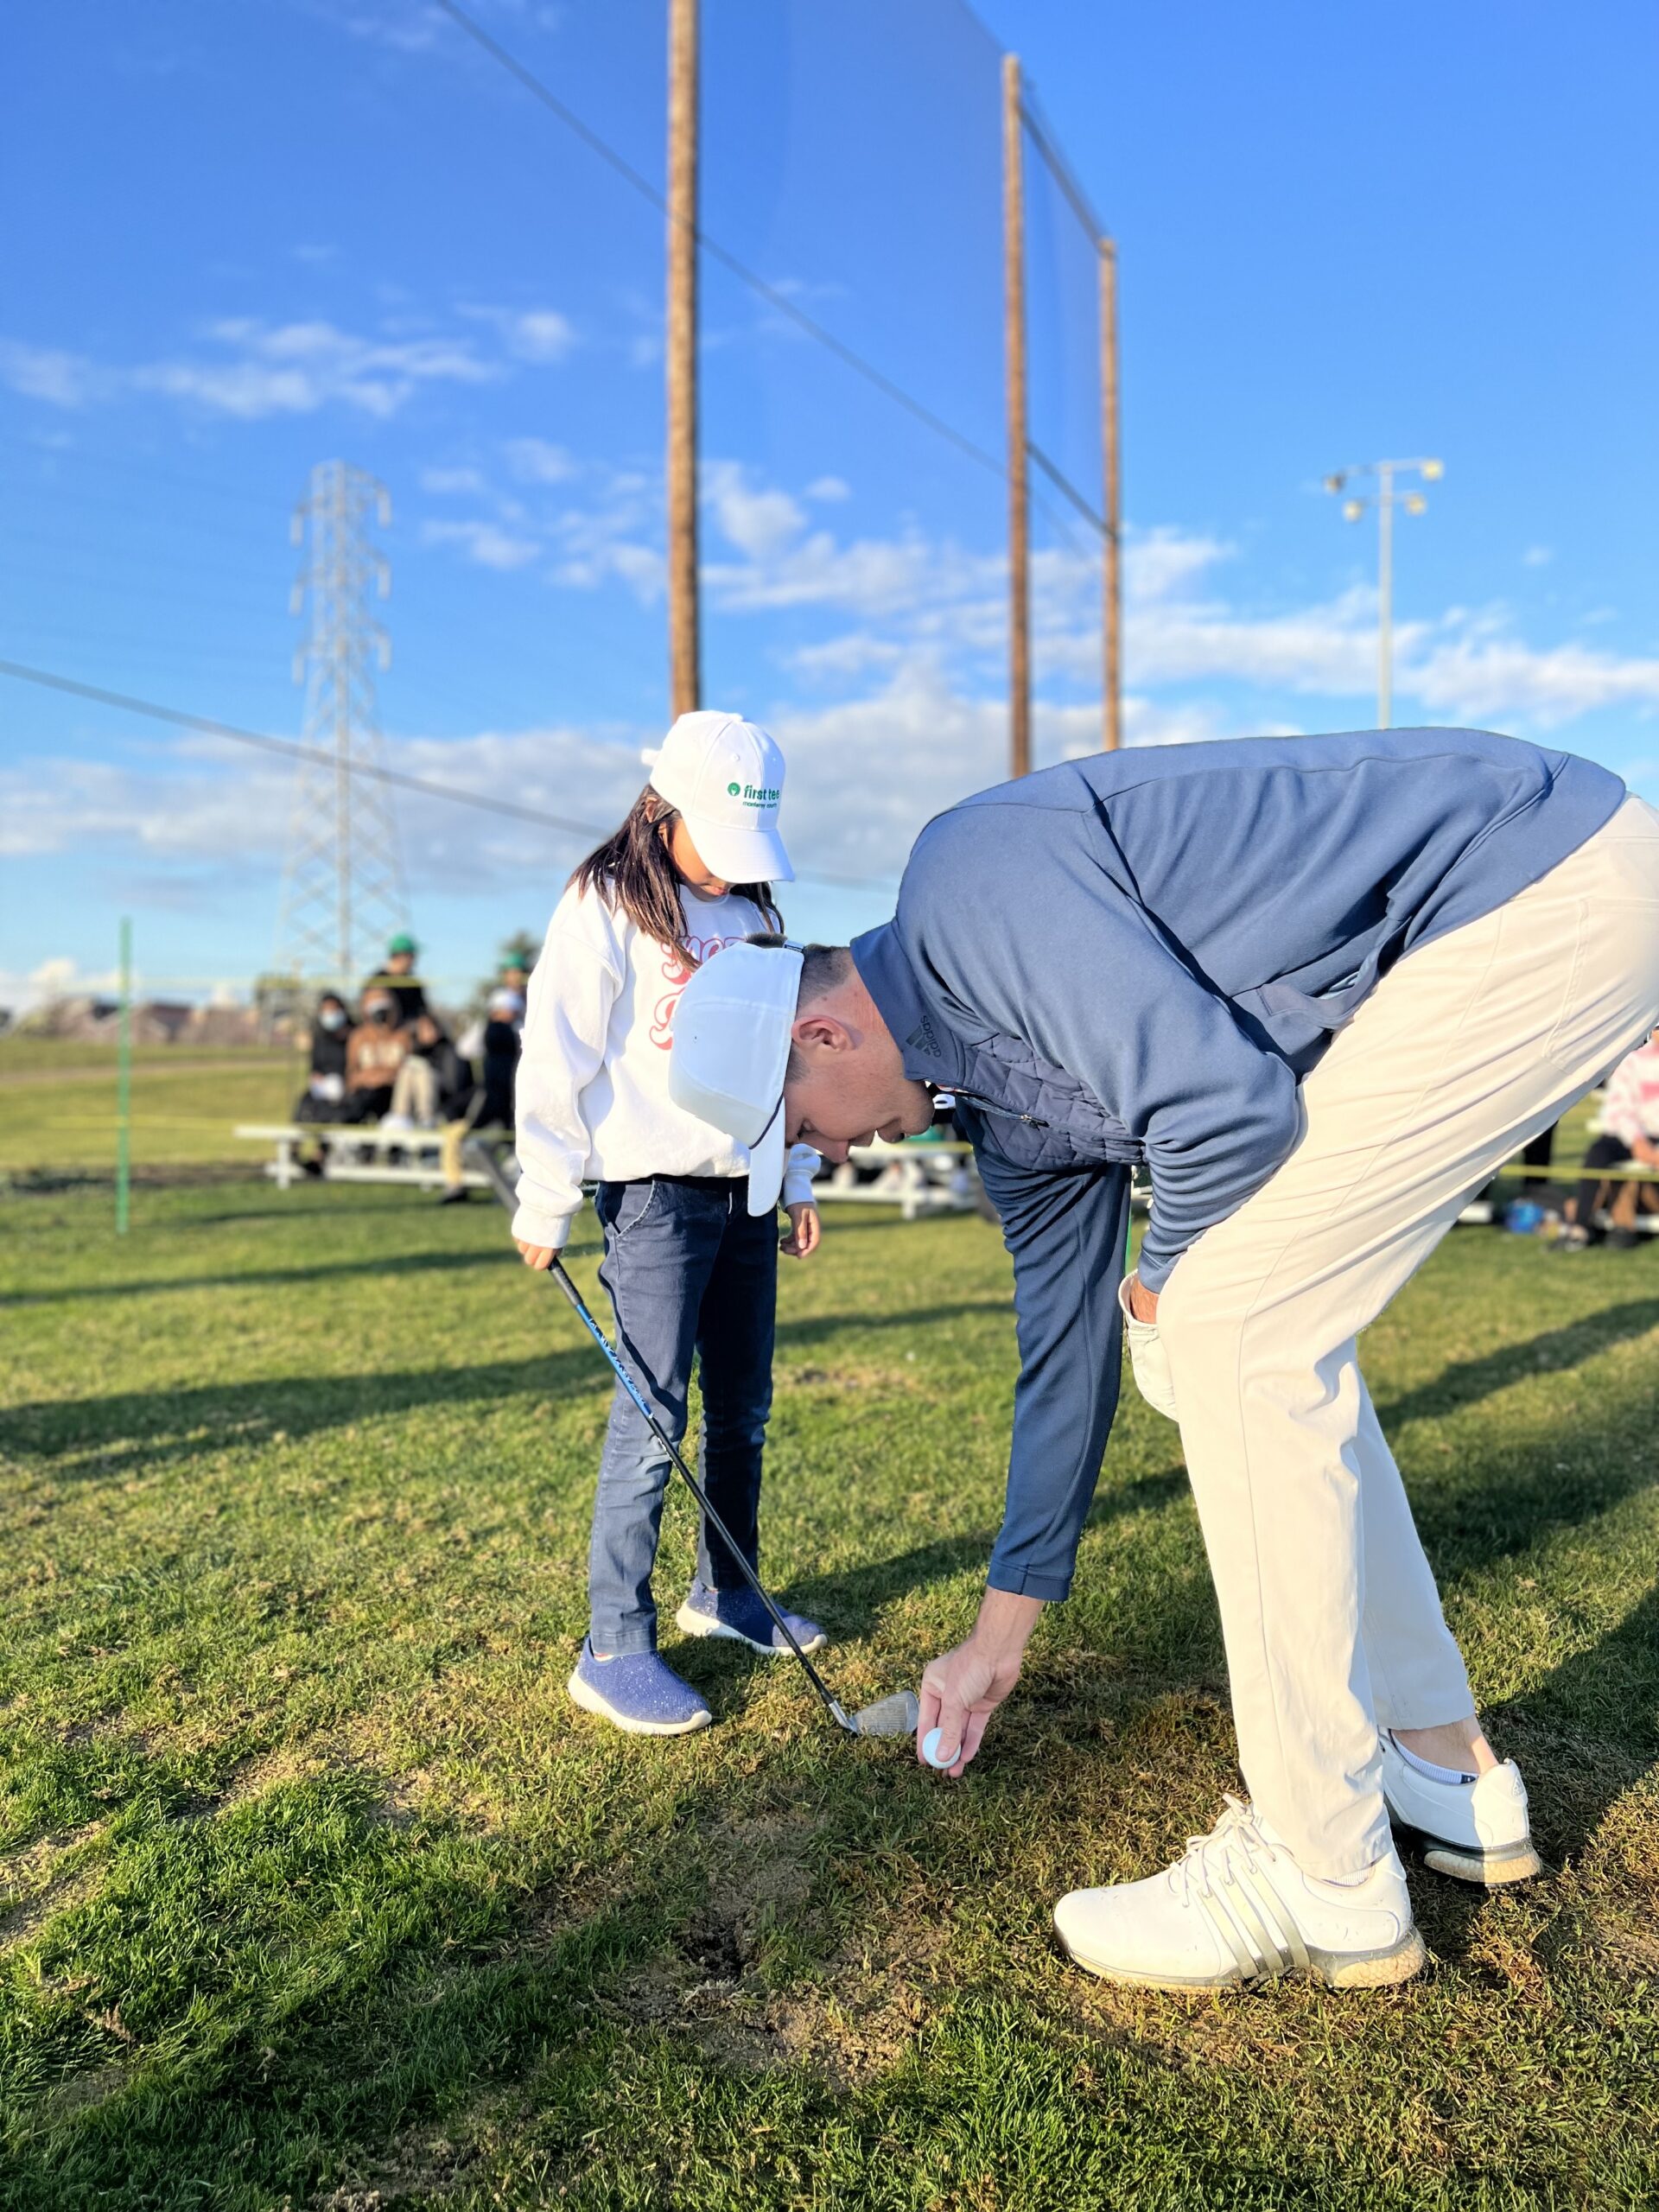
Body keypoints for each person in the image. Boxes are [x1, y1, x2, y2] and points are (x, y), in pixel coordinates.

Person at [669, 727, 1659, 1992]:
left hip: (1542, 880)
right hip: (1524, 910)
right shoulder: (1003, 1118)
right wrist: (996, 1640)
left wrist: (1164, 1274)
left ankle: (1325, 1870)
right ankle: (1446, 1765)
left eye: (799, 1130)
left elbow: (1221, 1108)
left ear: (819, 1039)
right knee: (1216, 1343)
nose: (828, 1157)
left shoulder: (963, 881)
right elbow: (1062, 1358)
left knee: (1231, 1325)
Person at [512, 710, 825, 1738]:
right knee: (655, 1422)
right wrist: (545, 1194)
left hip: (747, 1193)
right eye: (716, 845)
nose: (732, 872)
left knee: (743, 1410)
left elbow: (780, 1060)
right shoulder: (604, 903)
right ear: (662, 809)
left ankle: (726, 1594)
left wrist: (801, 1170)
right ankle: (614, 1644)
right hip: (653, 1200)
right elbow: (557, 1054)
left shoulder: (756, 917)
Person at [1561, 1030, 1659, 1248]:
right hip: (1636, 1136)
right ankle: (1581, 1224)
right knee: (1600, 1151)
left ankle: (1620, 1225)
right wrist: (1637, 1141)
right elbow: (1619, 1109)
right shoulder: (1634, 1062)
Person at [438, 986, 523, 1205]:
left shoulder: (513, 1028)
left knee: (502, 1144)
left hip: (508, 1096)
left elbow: (464, 1049)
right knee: (476, 1143)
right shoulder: (512, 1029)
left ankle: (506, 1189)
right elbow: (465, 1049)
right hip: (501, 1096)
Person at [293, 991, 354, 1175]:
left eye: (333, 1010)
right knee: (305, 1104)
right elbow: (315, 1067)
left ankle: (320, 1154)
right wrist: (317, 1078)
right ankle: (293, 1148)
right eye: (325, 1011)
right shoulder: (320, 1038)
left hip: (346, 1088)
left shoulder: (353, 1036)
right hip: (322, 1087)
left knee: (332, 1111)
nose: (330, 1015)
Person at [344, 986, 408, 1119]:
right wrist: (368, 1078)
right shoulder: (358, 1037)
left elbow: (405, 1071)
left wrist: (383, 1077)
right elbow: (352, 1075)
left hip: (394, 1095)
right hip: (365, 1094)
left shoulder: (403, 1036)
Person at [362, 931, 429, 1026]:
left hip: (410, 1034)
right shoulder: (376, 981)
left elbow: (422, 1012)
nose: (414, 960)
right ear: (400, 956)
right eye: (411, 956)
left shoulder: (413, 983)